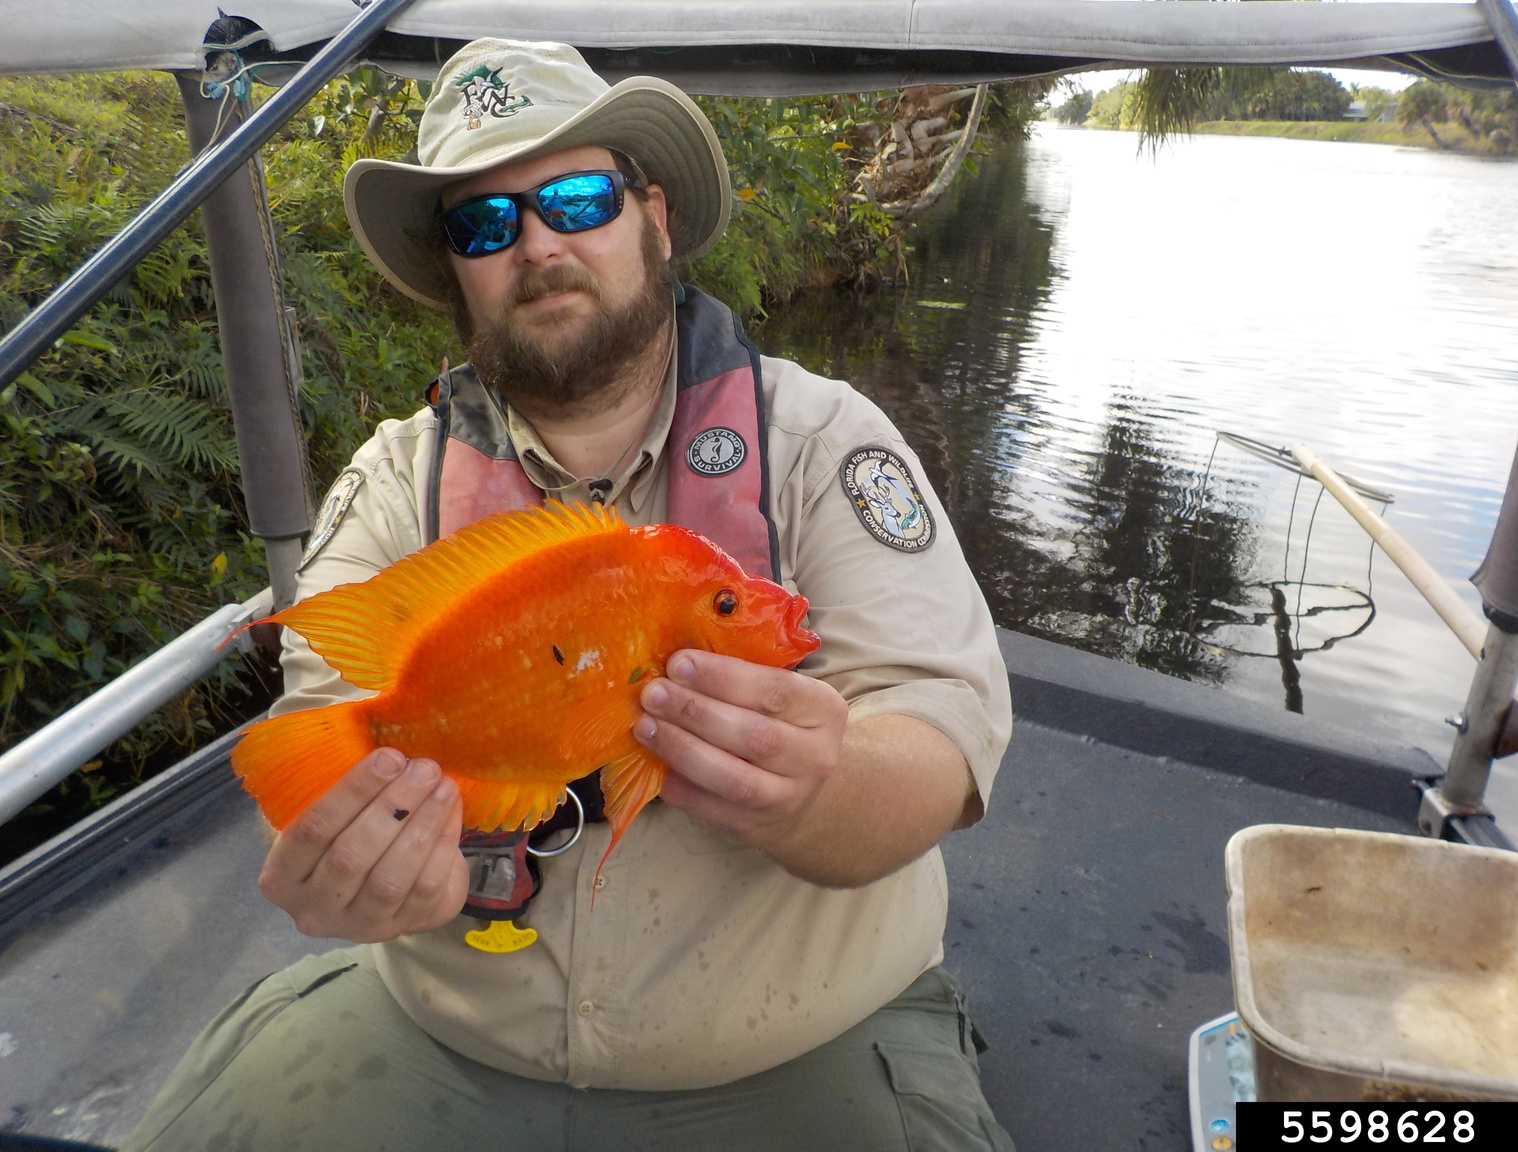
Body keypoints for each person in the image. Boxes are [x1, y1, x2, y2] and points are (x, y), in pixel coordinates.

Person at [125, 39, 1014, 1152]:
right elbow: (322, 721)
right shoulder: (395, 478)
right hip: (443, 1035)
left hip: (800, 1049)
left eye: (575, 197)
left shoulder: (824, 439)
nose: (536, 242)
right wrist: (349, 866)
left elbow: (941, 739)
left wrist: (820, 791)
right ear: (458, 270)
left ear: (655, 217)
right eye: (484, 224)